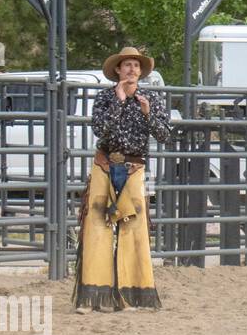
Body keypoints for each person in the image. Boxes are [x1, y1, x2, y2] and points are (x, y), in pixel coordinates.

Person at [72, 47, 172, 312]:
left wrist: (148, 112)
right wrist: (118, 101)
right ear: (118, 70)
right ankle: (94, 297)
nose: (131, 70)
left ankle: (132, 294)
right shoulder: (105, 97)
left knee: (134, 230)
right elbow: (99, 130)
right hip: (105, 163)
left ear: (140, 71)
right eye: (127, 65)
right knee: (97, 227)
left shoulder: (151, 98)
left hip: (135, 167)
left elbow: (164, 135)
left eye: (136, 66)